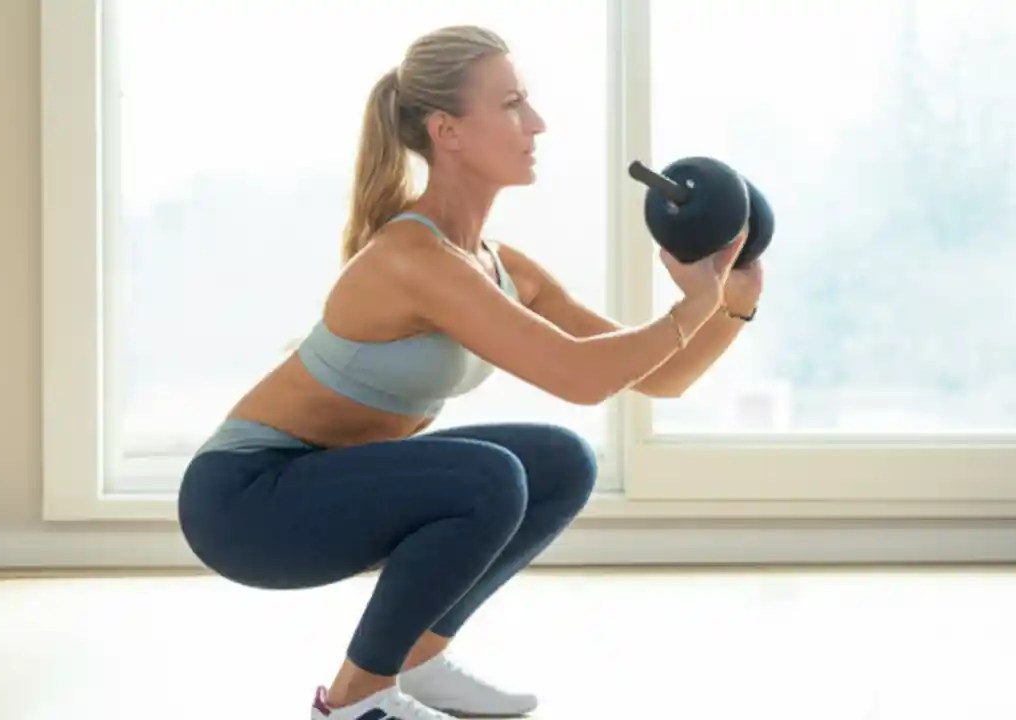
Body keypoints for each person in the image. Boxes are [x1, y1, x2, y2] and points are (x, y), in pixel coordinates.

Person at [177, 24, 764, 720]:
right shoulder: (412, 259)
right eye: (513, 103)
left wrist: (732, 304)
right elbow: (581, 378)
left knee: (561, 461)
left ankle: (416, 662)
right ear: (447, 131)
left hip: (320, 488)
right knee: (489, 478)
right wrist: (694, 303)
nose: (537, 123)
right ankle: (353, 704)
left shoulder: (500, 267)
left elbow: (659, 378)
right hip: (246, 504)